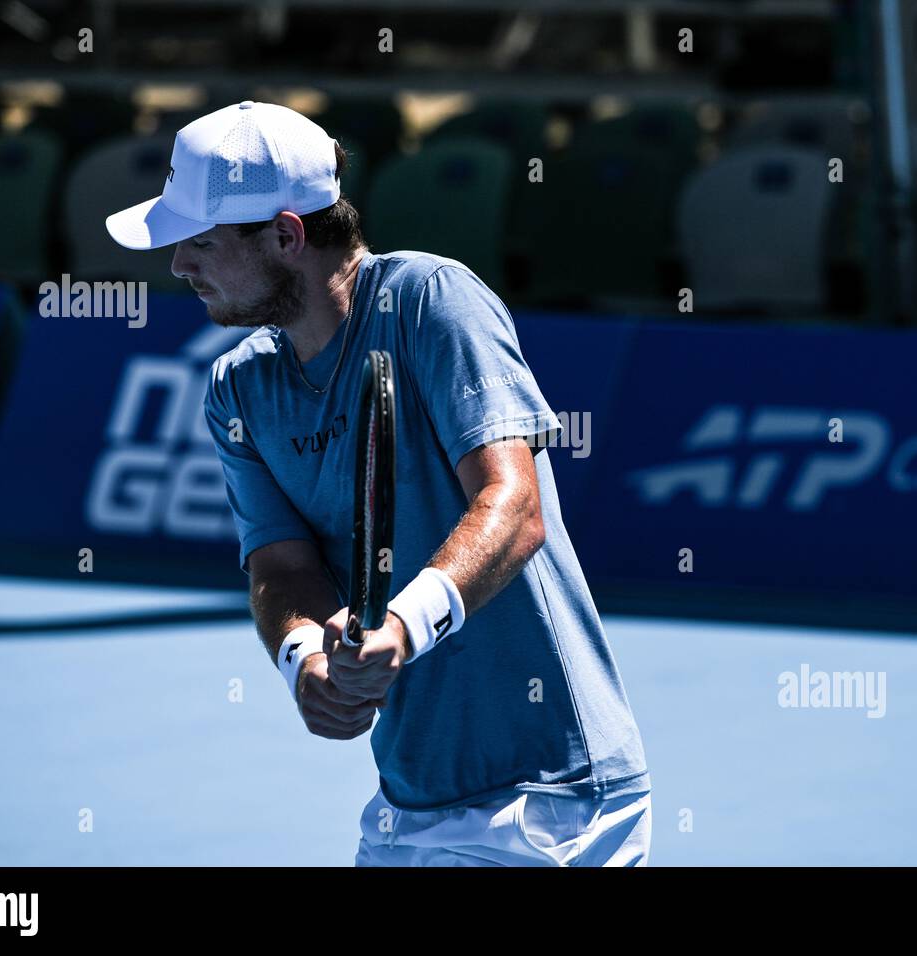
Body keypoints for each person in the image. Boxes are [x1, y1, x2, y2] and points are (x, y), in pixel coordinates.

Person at [105, 101, 651, 866]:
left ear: (286, 236)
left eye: (199, 242)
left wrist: (402, 626)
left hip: (553, 806)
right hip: (406, 808)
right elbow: (281, 566)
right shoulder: (238, 388)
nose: (178, 266)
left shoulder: (433, 300)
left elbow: (514, 506)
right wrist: (306, 656)